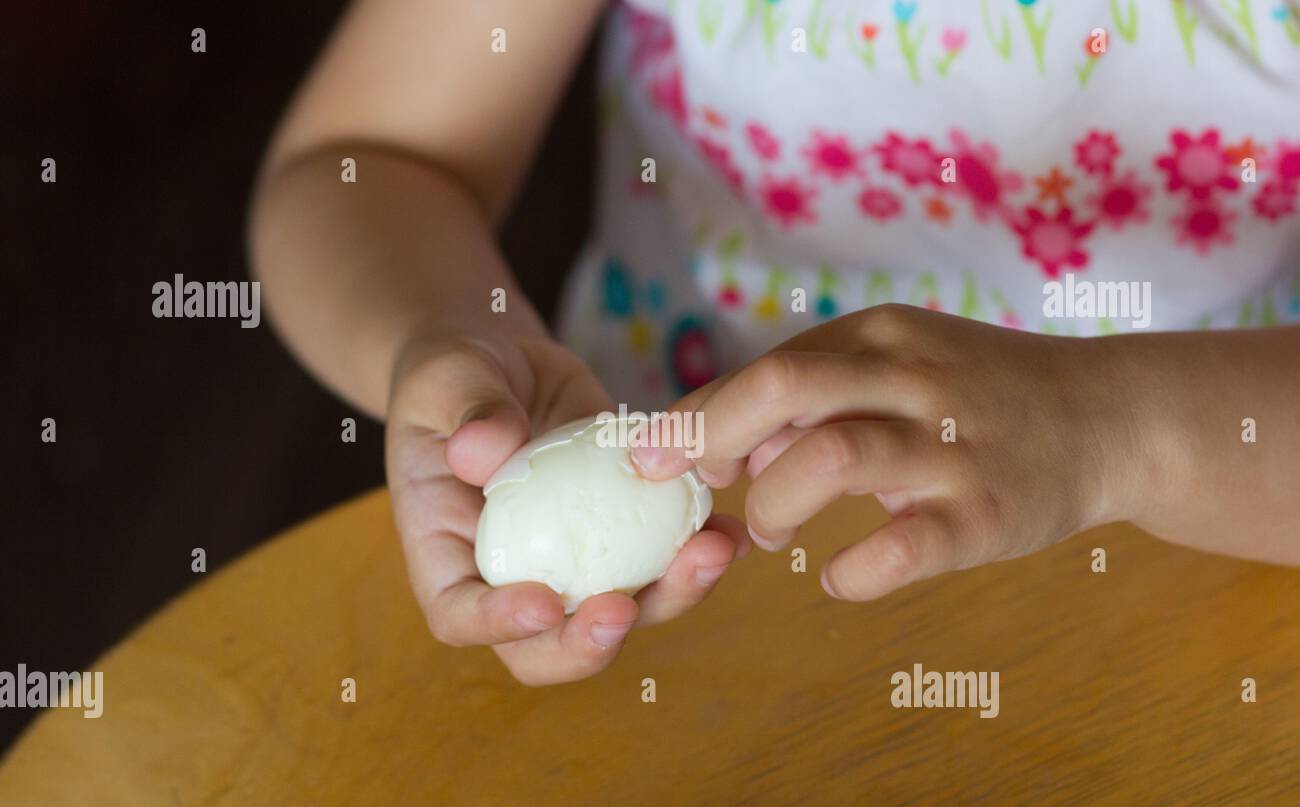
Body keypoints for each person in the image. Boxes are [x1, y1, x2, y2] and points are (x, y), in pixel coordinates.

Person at [250, 0, 1300, 685]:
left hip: (1208, 561)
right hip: (704, 580)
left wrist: (1114, 432)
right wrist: (442, 331)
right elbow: (366, 163)